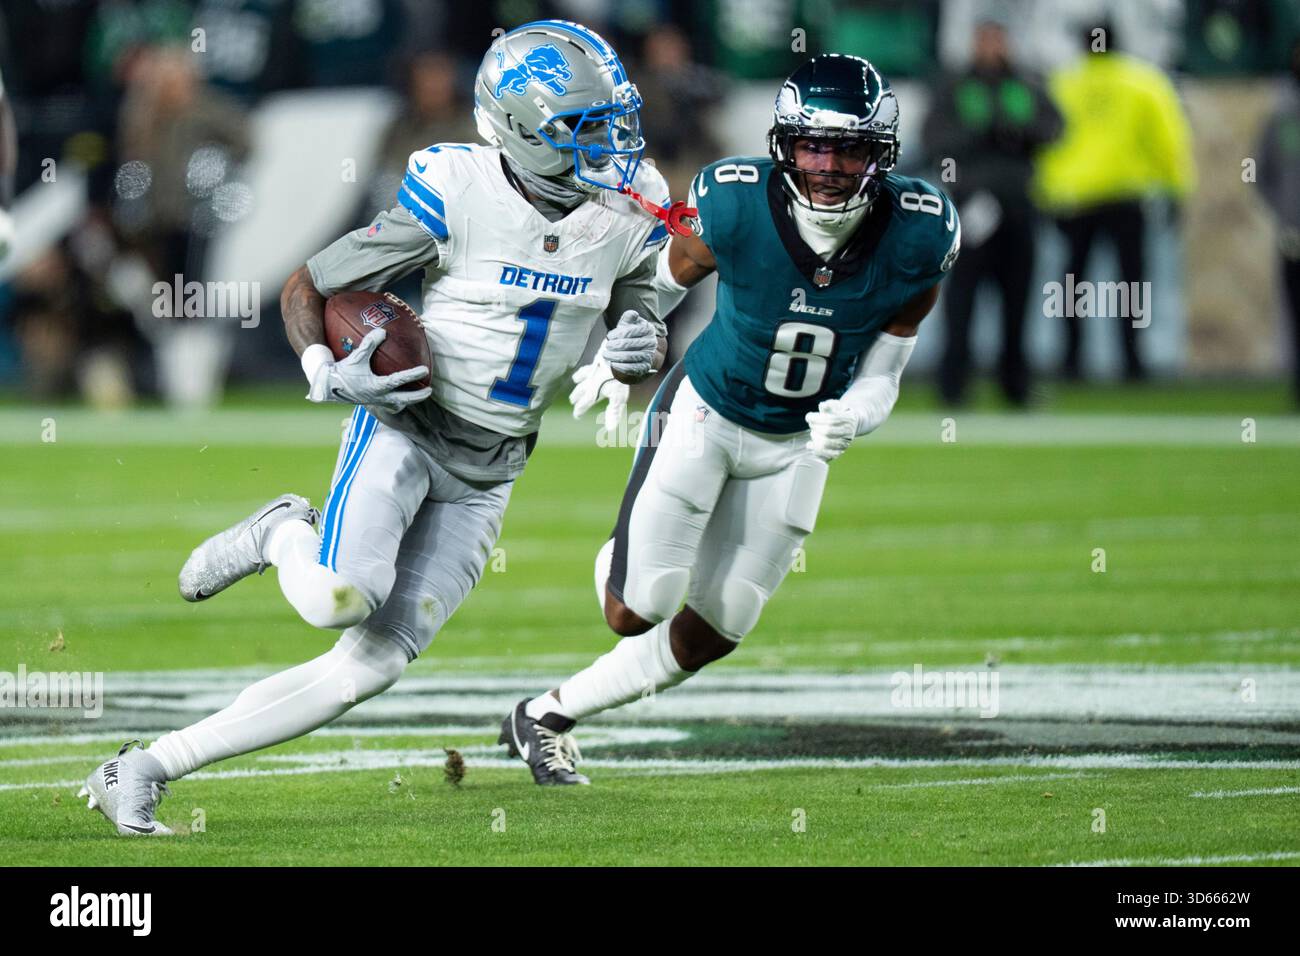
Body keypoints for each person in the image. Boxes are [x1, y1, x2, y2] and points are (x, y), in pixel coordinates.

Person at [79, 20, 679, 834]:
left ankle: (142, 767)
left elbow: (648, 286)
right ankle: (281, 532)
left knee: (369, 667)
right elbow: (309, 285)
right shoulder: (459, 189)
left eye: (612, 118)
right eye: (582, 127)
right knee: (336, 599)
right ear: (518, 127)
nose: (609, 142)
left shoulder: (626, 201)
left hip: (492, 468)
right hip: (407, 425)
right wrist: (324, 368)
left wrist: (640, 334)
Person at [500, 54, 960, 785]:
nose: (830, 166)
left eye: (849, 149)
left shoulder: (921, 232)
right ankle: (631, 550)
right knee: (637, 607)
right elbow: (661, 282)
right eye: (813, 145)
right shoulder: (734, 201)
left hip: (798, 444)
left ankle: (546, 714)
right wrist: (625, 343)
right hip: (706, 411)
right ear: (784, 144)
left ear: (882, 154)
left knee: (720, 627)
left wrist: (859, 413)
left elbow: (886, 369)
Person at [1033, 21, 1194, 381]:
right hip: (1127, 197)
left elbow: (1044, 143)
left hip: (1075, 198)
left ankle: (1072, 362)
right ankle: (1132, 363)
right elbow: (1168, 140)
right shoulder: (1144, 82)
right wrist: (1175, 190)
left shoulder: (1064, 83)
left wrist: (1045, 194)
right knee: (1131, 285)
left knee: (1072, 285)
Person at [923, 18, 1061, 407]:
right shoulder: (955, 86)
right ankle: (953, 386)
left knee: (1017, 299)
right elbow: (935, 139)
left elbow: (1054, 128)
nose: (992, 49)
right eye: (985, 41)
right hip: (972, 206)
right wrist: (987, 134)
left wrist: (1012, 133)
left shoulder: (1026, 83)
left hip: (1019, 204)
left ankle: (1015, 385)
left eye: (997, 41)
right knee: (962, 299)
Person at [1256, 37, 1300, 407]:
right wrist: (1286, 214)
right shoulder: (1282, 116)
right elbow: (1260, 173)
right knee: (1296, 312)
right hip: (1294, 234)